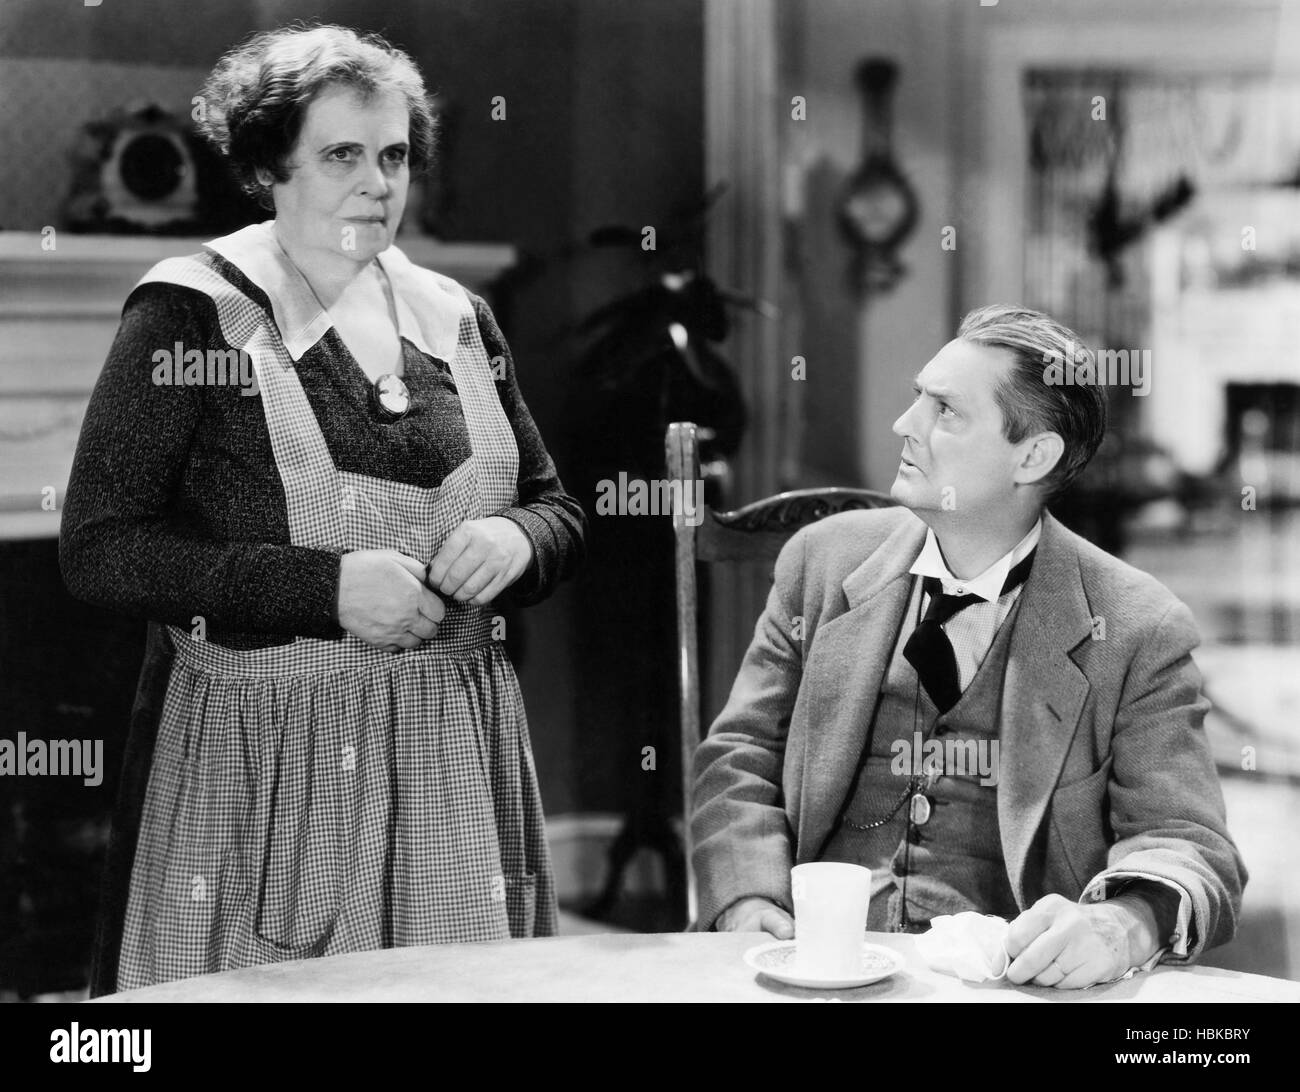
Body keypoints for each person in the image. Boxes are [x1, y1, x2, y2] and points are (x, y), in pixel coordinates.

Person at [60, 24, 585, 996]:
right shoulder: (191, 314)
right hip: (269, 769)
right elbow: (99, 550)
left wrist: (518, 537)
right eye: (342, 154)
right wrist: (324, 587)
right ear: (268, 165)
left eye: (393, 156)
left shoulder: (457, 317)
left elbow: (559, 510)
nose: (378, 183)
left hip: (453, 760)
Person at [691, 304, 1246, 989]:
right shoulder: (823, 565)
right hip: (811, 972)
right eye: (917, 397)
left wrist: (1119, 925)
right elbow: (739, 754)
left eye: (945, 410)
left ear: (1033, 455)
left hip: (1007, 988)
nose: (906, 424)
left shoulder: (1136, 626)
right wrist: (748, 897)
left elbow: (1191, 846)